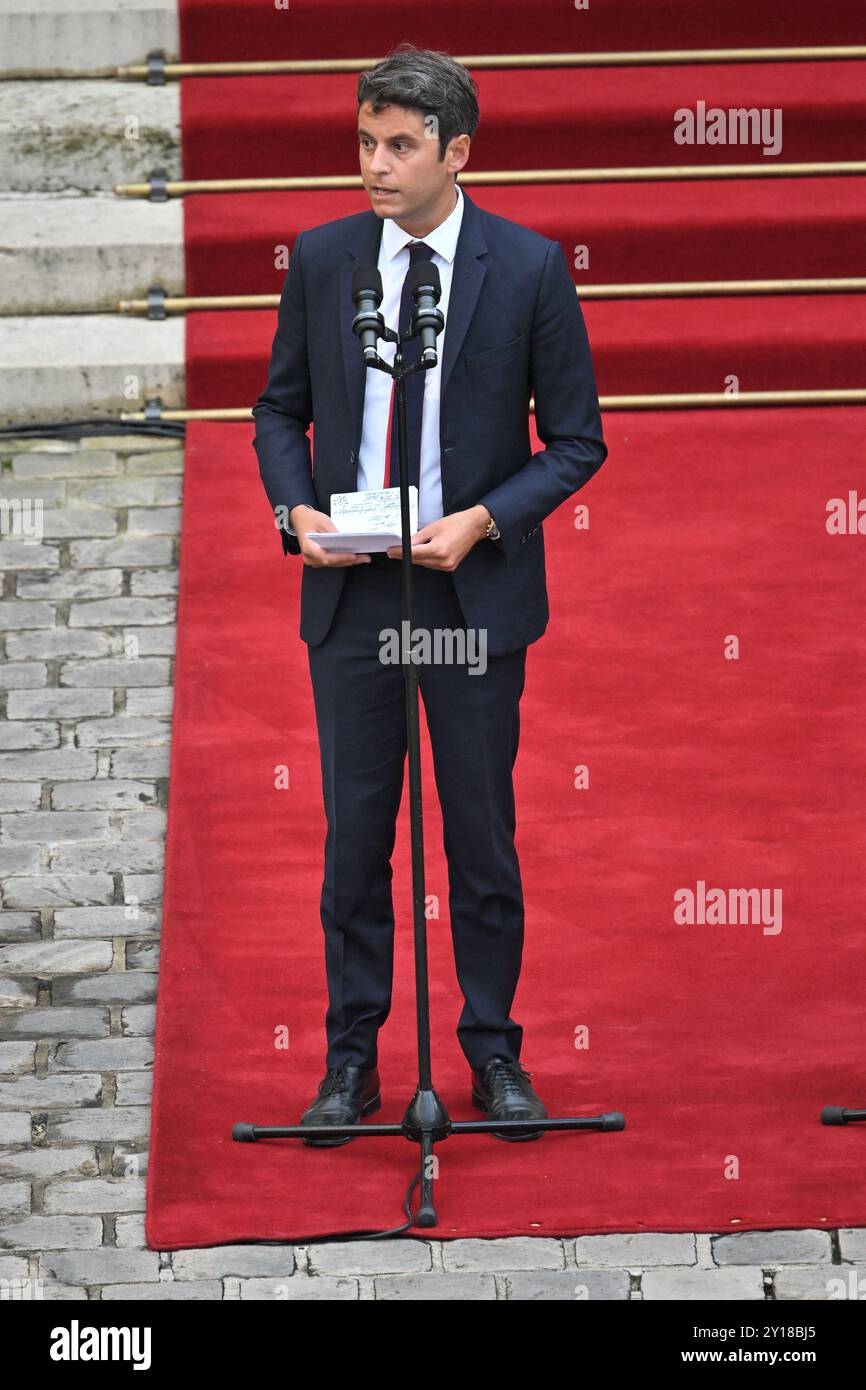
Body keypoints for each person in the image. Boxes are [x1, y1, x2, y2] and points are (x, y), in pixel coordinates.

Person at [252, 43, 607, 1144]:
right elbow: (277, 412)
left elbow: (577, 443)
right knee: (355, 836)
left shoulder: (531, 266)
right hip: (353, 596)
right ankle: (350, 1058)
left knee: (476, 831)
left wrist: (487, 517)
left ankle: (493, 1051)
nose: (374, 164)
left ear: (456, 151)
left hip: (468, 598)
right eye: (364, 141)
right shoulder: (319, 260)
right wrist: (295, 513)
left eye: (399, 145)